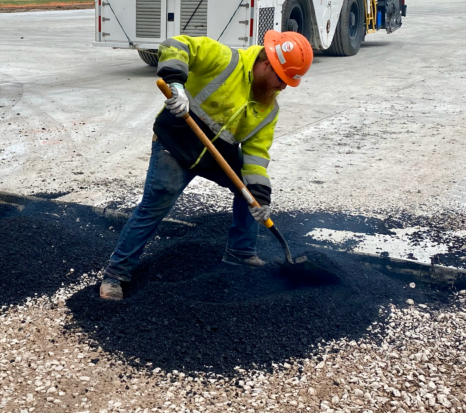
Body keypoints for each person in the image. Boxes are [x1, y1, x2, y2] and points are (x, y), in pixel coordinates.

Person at [99, 31, 313, 301]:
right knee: (156, 203)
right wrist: (176, 86)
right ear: (266, 64)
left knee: (250, 194)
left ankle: (241, 253)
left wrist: (260, 197)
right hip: (176, 141)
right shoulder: (226, 60)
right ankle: (116, 274)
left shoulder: (268, 107)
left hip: (217, 154)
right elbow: (177, 45)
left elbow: (256, 155)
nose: (283, 87)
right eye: (282, 79)